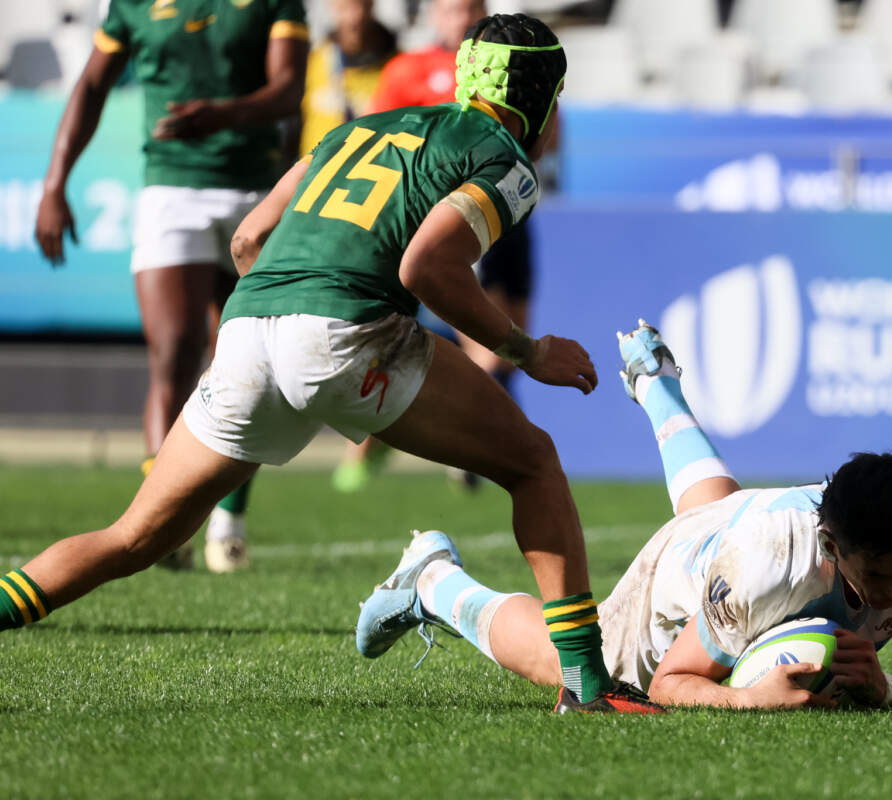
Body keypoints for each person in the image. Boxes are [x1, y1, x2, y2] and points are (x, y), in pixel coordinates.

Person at [4, 13, 659, 716]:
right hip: (345, 329)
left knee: (133, 536)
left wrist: (282, 344)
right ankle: (588, 688)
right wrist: (527, 352)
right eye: (556, 98)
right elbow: (427, 264)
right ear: (537, 97)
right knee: (531, 463)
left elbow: (252, 236)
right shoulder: (504, 159)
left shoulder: (357, 129)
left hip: (250, 323)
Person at [356, 321, 892, 711]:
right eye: (877, 581)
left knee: (722, 516)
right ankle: (434, 581)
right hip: (687, 573)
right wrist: (749, 697)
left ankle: (659, 388)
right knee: (574, 663)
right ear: (832, 544)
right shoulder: (765, 566)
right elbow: (671, 684)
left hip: (735, 529)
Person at [33, 0, 310, 572]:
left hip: (256, 195)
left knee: (253, 362)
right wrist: (54, 184)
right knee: (173, 356)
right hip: (171, 192)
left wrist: (224, 115)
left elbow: (289, 90)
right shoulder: (131, 3)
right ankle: (162, 524)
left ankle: (229, 517)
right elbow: (89, 86)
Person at [331, 0, 536, 493]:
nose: (459, 18)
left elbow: (544, 128)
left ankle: (440, 441)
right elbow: (374, 143)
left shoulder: (511, 67)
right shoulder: (410, 70)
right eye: (449, 9)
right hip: (448, 215)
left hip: (508, 209)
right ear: (433, 16)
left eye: (468, 8)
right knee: (488, 339)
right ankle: (459, 445)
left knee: (507, 341)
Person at [299, 0, 396, 157]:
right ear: (332, 8)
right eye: (345, 8)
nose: (354, 17)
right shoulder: (314, 60)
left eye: (361, 6)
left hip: (371, 173)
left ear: (372, 5)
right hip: (317, 173)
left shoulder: (399, 66)